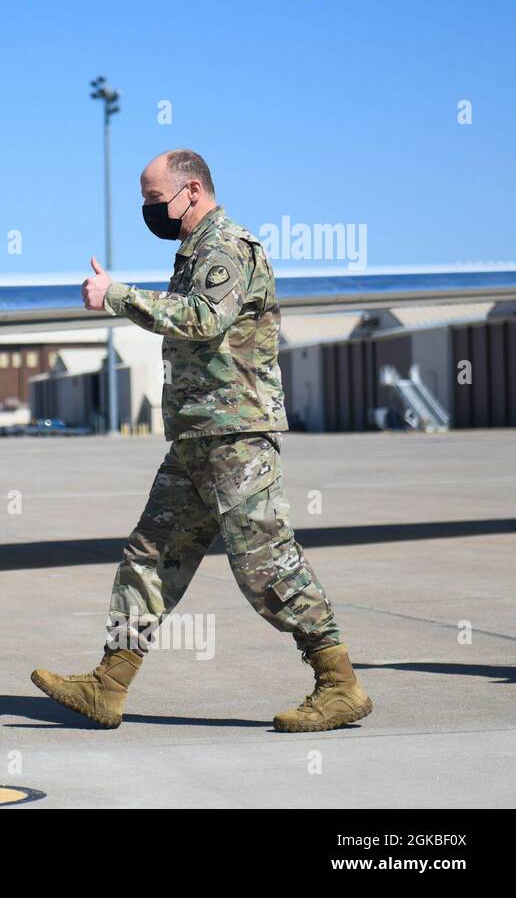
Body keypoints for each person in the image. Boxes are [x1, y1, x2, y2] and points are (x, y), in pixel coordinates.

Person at [31, 149, 372, 733]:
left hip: (236, 437)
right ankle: (108, 684)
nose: (149, 211)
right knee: (151, 556)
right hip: (197, 435)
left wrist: (117, 295)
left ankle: (339, 684)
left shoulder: (227, 248)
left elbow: (204, 318)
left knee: (265, 566)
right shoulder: (192, 254)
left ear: (192, 191)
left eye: (154, 200)